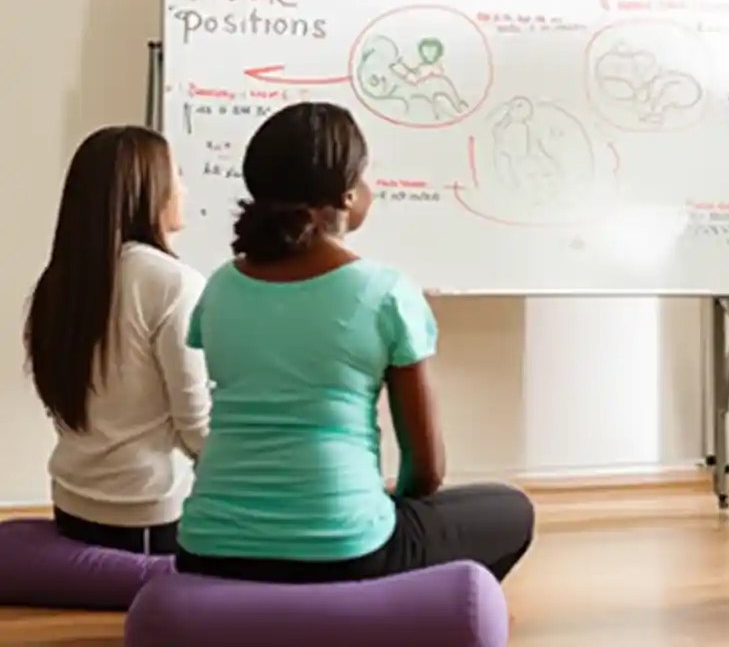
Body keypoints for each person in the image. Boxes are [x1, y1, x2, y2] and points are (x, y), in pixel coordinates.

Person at [175, 101, 535, 584]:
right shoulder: (385, 293)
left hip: (206, 548)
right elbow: (426, 471)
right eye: (366, 176)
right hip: (344, 553)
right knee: (511, 510)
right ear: (346, 197)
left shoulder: (219, 288)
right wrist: (365, 506)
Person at [24, 126, 210, 555]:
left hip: (71, 501)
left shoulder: (58, 280)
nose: (182, 187)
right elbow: (196, 427)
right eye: (176, 174)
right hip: (147, 515)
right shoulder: (171, 282)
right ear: (148, 190)